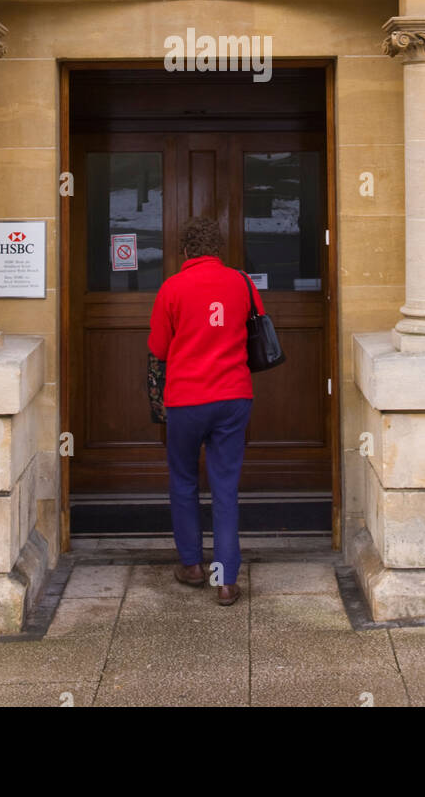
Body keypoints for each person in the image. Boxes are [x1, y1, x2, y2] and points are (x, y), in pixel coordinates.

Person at [146, 215, 264, 606]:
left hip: (187, 400)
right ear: (217, 249)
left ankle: (193, 565)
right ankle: (227, 580)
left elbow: (160, 349)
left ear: (184, 251)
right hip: (233, 397)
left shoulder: (172, 288)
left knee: (183, 480)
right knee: (225, 486)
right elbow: (255, 328)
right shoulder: (241, 282)